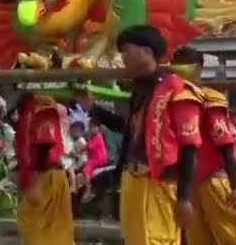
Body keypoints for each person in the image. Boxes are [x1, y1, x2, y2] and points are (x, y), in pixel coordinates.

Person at [78, 24, 201, 245]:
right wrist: (93, 109)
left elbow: (189, 146)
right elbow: (127, 130)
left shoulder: (176, 89)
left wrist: (184, 197)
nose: (123, 57)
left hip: (160, 184)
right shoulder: (138, 92)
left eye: (127, 50)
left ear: (147, 51)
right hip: (133, 182)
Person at [169, 46, 236, 245]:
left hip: (214, 180)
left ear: (197, 68)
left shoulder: (209, 98)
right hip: (190, 184)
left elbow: (225, 145)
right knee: (199, 240)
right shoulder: (177, 98)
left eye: (182, 66)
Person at [14, 94, 73, 244]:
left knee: (37, 229)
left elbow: (44, 144)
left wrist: (34, 180)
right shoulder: (45, 110)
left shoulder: (40, 110)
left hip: (44, 177)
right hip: (48, 175)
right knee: (54, 229)